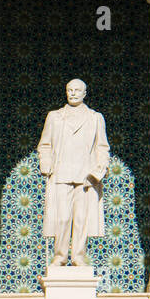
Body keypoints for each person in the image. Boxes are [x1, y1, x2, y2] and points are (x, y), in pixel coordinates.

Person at [37, 78, 109, 267]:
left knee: (80, 219)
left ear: (85, 93)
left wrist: (99, 170)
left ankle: (78, 255)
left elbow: (102, 147)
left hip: (85, 175)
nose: (73, 93)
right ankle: (59, 256)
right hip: (61, 173)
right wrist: (46, 163)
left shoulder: (95, 118)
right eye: (70, 90)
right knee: (62, 218)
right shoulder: (55, 116)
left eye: (77, 90)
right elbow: (45, 144)